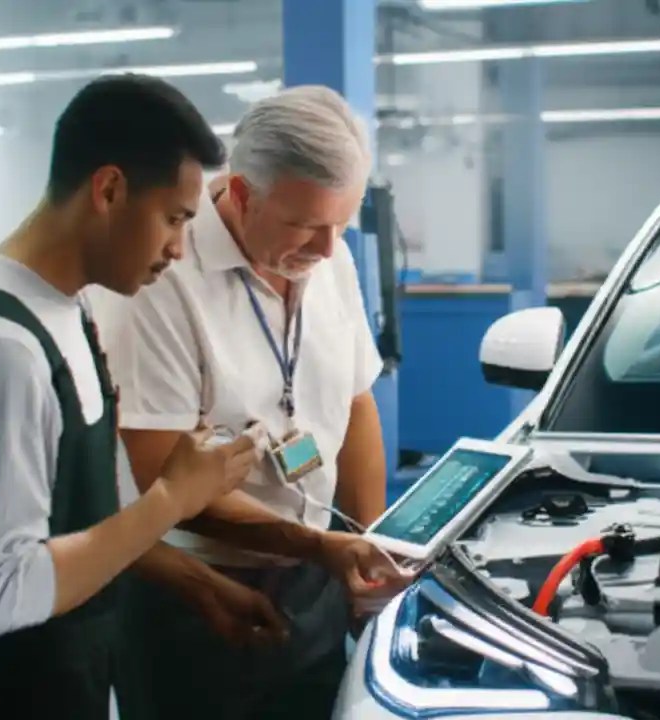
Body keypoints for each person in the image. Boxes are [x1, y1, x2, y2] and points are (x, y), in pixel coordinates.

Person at [0, 74, 277, 720]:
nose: (178, 249)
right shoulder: (0, 351)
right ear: (108, 190)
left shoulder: (66, 313)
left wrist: (195, 582)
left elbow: (77, 528)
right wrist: (173, 500)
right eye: (174, 219)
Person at [97, 85, 412, 720]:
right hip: (196, 593)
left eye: (341, 224)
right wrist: (323, 549)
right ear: (241, 194)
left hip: (318, 573)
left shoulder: (330, 260)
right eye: (303, 225)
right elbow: (159, 467)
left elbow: (356, 406)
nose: (326, 249)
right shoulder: (163, 277)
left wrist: (367, 551)